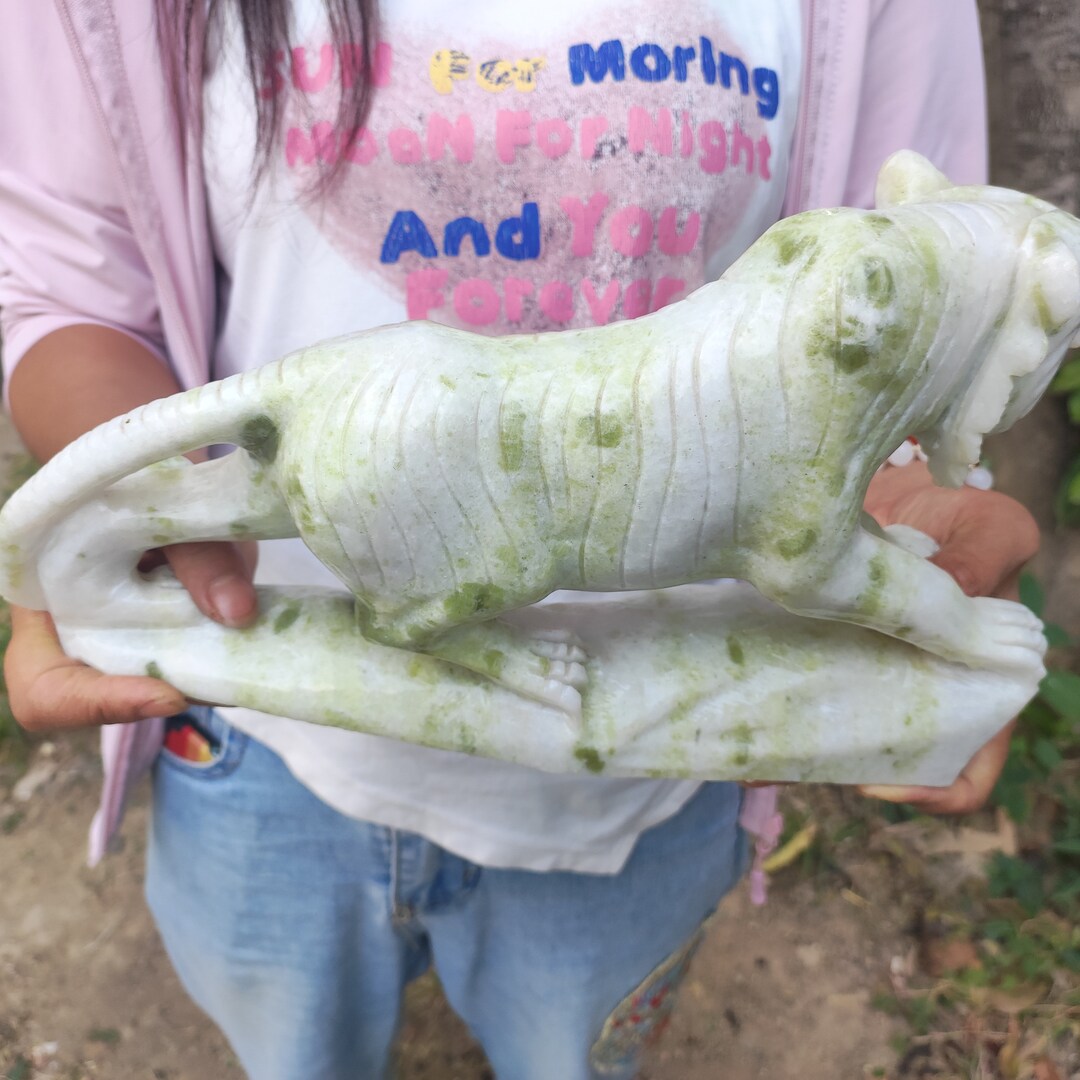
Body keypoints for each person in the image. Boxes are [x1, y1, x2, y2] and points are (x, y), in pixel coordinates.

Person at [0, 2, 1039, 1077]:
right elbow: (72, 284)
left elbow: (904, 326)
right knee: (288, 1042)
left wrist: (911, 511)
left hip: (640, 788)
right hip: (271, 742)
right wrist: (101, 509)